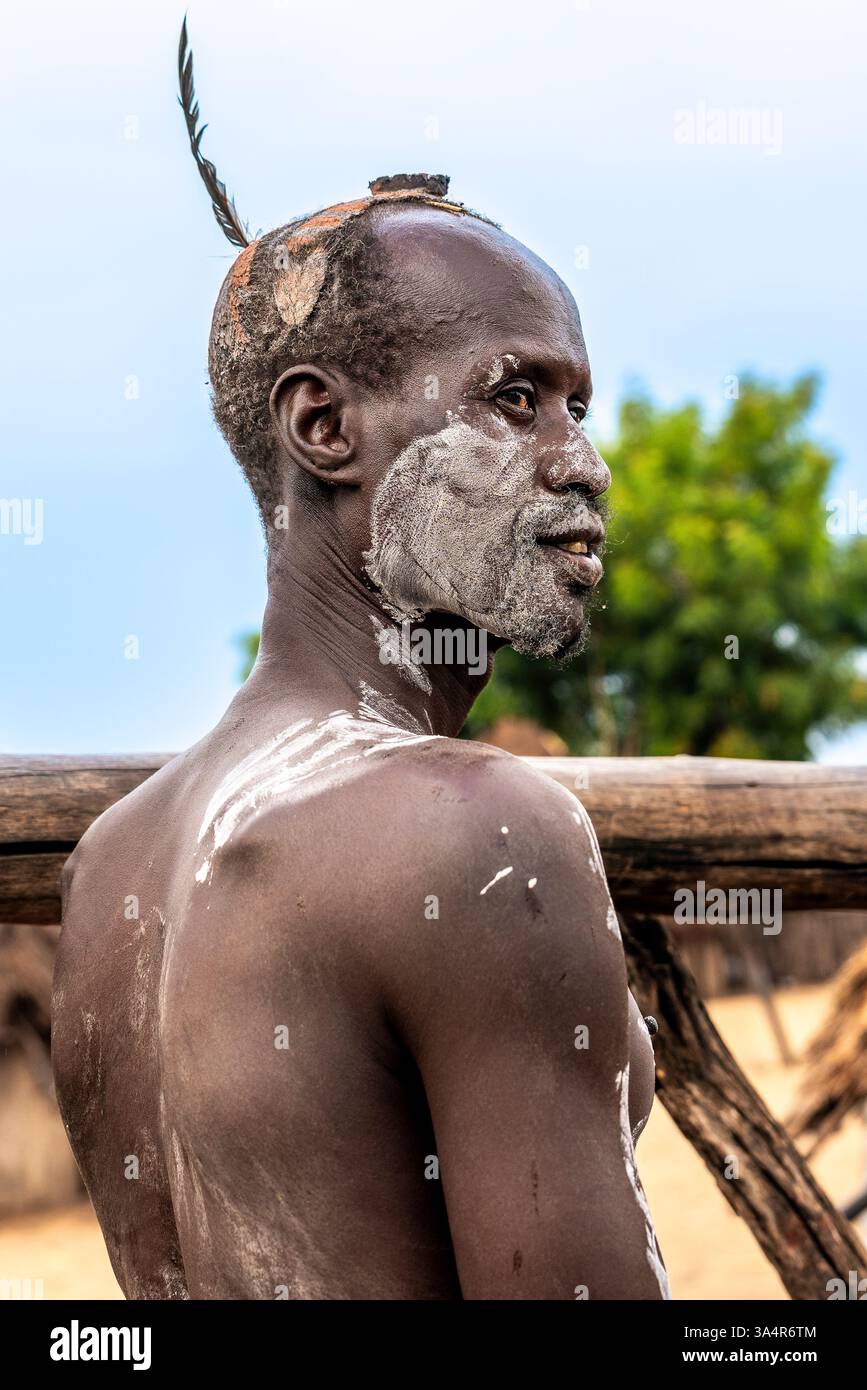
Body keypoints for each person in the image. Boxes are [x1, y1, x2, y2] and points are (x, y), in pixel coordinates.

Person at [51, 31, 669, 1302]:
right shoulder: (481, 835)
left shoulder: (109, 867)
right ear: (324, 428)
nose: (583, 463)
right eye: (515, 400)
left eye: (579, 407)